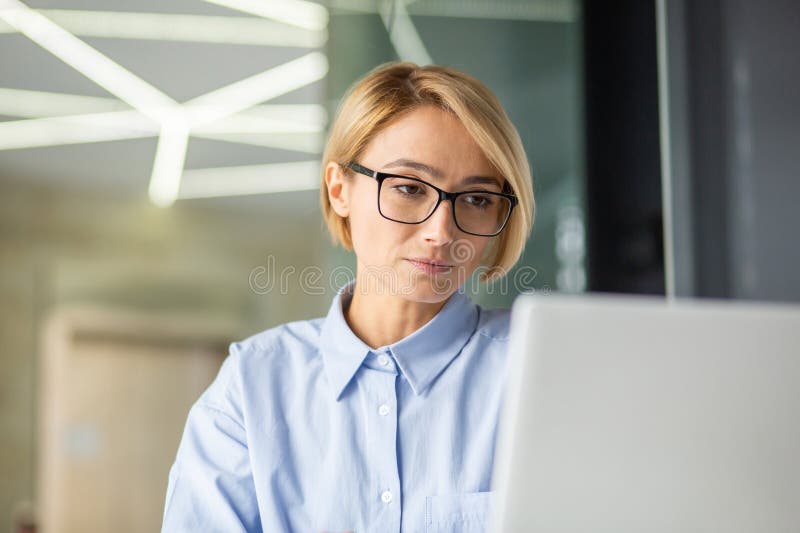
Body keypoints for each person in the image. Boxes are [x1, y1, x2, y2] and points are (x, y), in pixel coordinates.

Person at [161, 61, 534, 533]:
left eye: (477, 199)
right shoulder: (252, 388)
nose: (441, 232)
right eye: (408, 188)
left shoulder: (540, 370)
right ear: (340, 190)